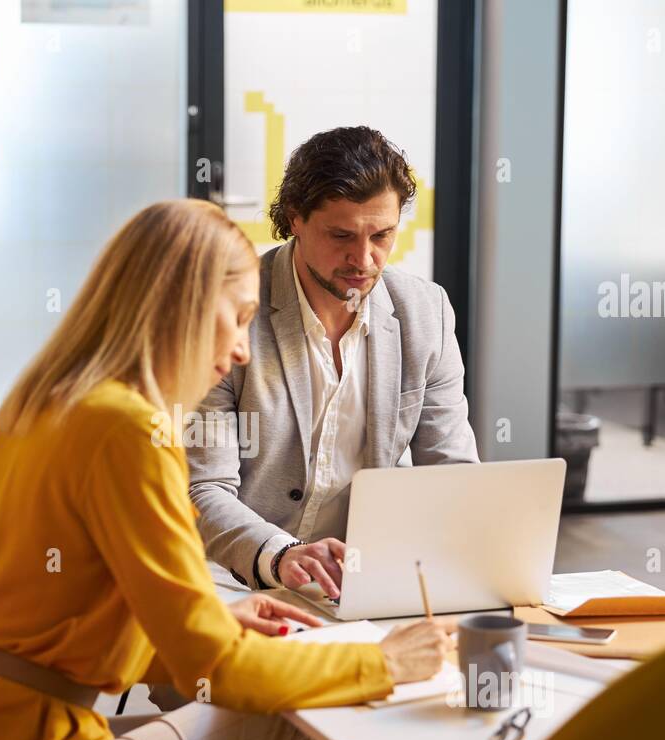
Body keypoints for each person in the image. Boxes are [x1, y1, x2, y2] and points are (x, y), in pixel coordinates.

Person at [0, 198, 452, 740]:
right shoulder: (129, 430)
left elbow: (50, 622)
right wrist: (385, 663)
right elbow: (217, 673)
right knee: (279, 731)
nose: (241, 347)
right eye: (236, 318)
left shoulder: (47, 400)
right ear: (180, 302)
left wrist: (218, 614)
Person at [187, 126, 479, 598]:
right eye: (341, 235)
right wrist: (282, 556)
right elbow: (201, 491)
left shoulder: (425, 312)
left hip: (358, 583)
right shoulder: (227, 309)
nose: (363, 259)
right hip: (231, 577)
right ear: (294, 218)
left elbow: (451, 475)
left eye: (382, 235)